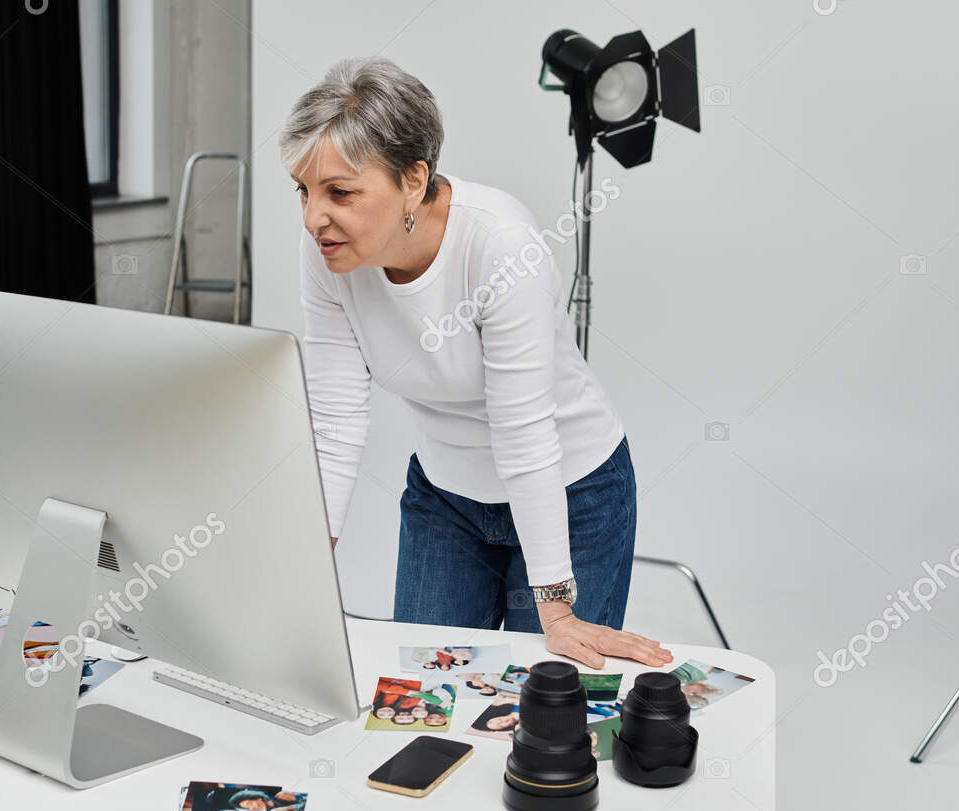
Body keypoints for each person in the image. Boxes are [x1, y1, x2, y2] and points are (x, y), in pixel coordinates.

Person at [284, 57, 674, 671]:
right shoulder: (329, 250)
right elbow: (332, 421)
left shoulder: (501, 244)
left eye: (340, 192)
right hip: (445, 501)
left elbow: (522, 430)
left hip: (571, 494)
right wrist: (302, 573)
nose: (313, 217)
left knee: (539, 712)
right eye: (303, 191)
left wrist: (557, 609)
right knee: (423, 701)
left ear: (413, 179)